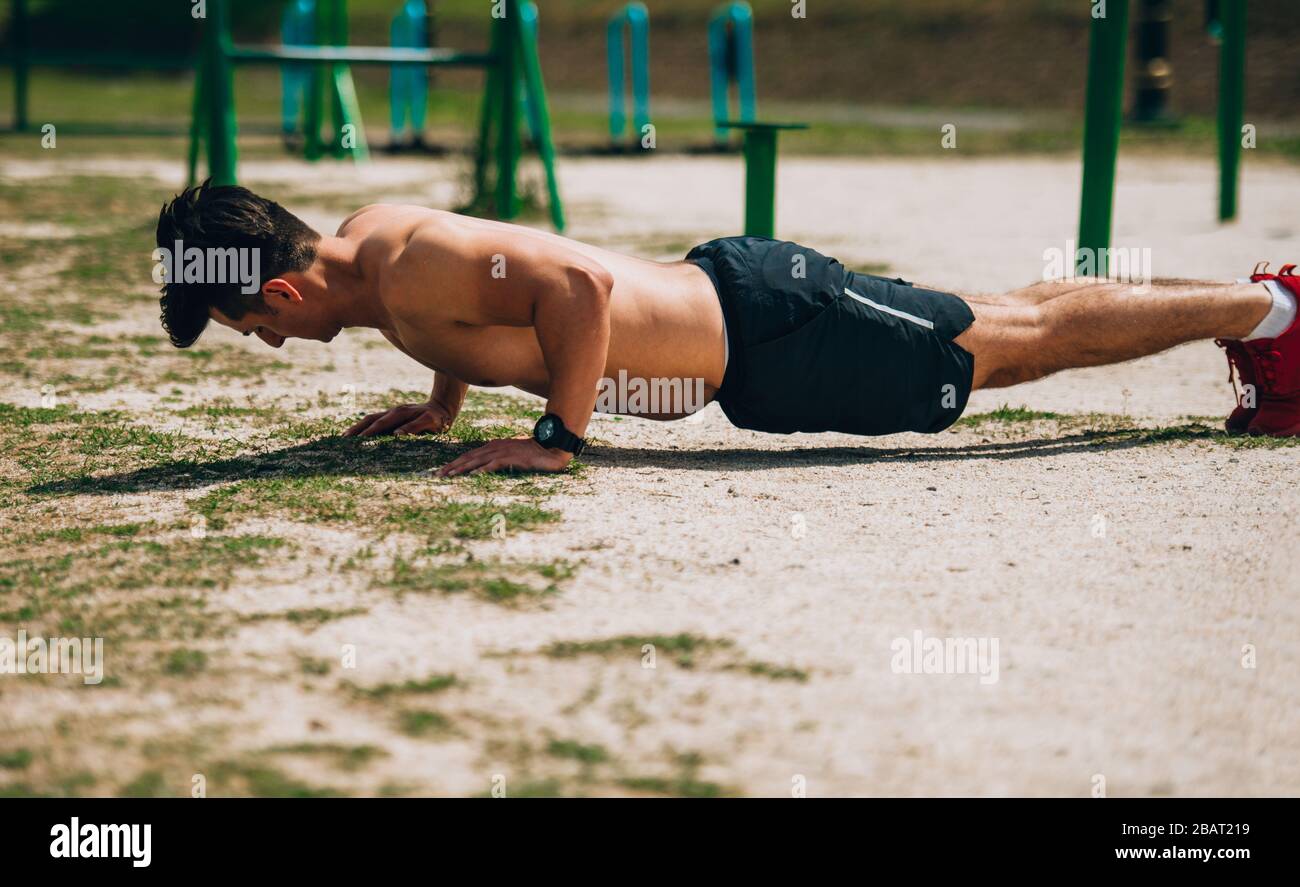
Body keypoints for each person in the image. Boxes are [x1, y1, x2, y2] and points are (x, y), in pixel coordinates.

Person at [155, 182, 1300, 475]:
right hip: (749, 336)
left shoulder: (408, 270)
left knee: (1010, 345)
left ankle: (1278, 310)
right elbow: (493, 307)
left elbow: (576, 292)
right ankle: (1267, 316)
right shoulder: (378, 255)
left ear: (285, 292)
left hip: (763, 329)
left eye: (238, 320)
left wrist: (556, 440)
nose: (254, 340)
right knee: (1002, 324)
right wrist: (445, 399)